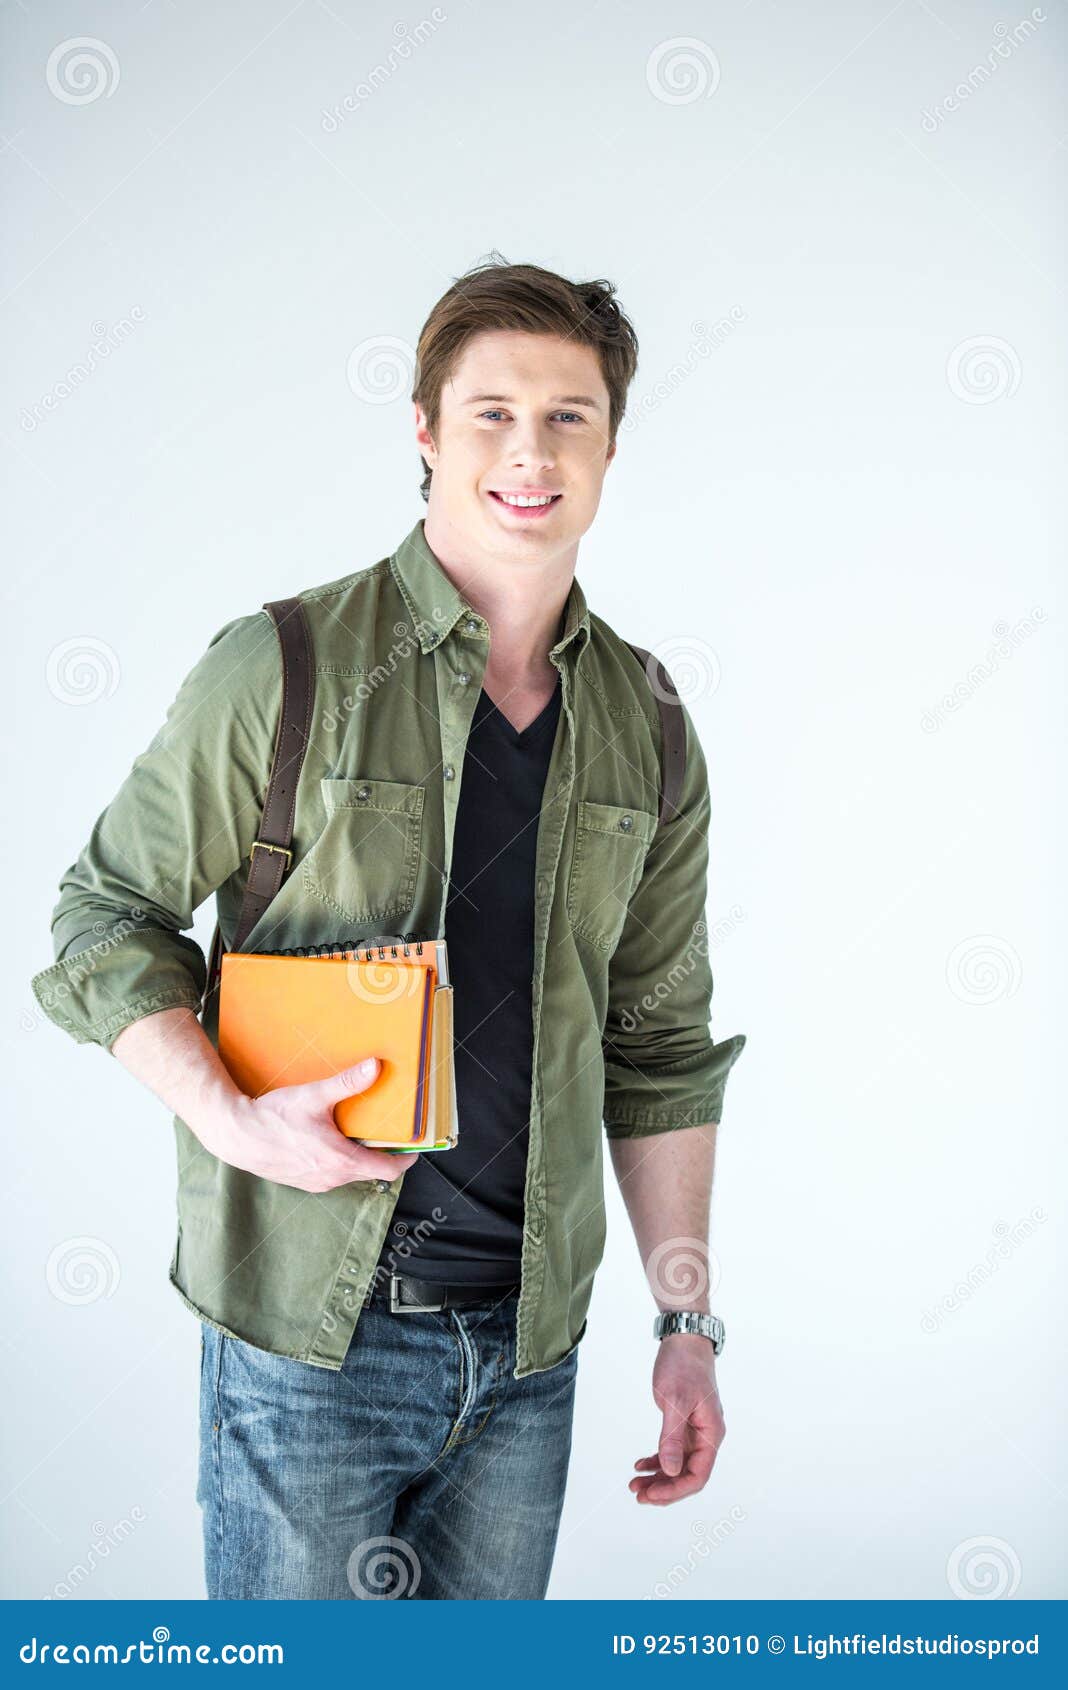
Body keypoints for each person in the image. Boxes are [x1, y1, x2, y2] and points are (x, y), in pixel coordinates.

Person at [30, 257, 746, 1601]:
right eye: (490, 412)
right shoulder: (284, 666)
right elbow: (103, 914)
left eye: (569, 417)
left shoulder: (651, 726)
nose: (529, 451)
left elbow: (660, 1046)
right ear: (424, 431)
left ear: (609, 445)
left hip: (529, 1356)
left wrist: (687, 1318)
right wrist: (233, 1120)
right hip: (313, 1347)